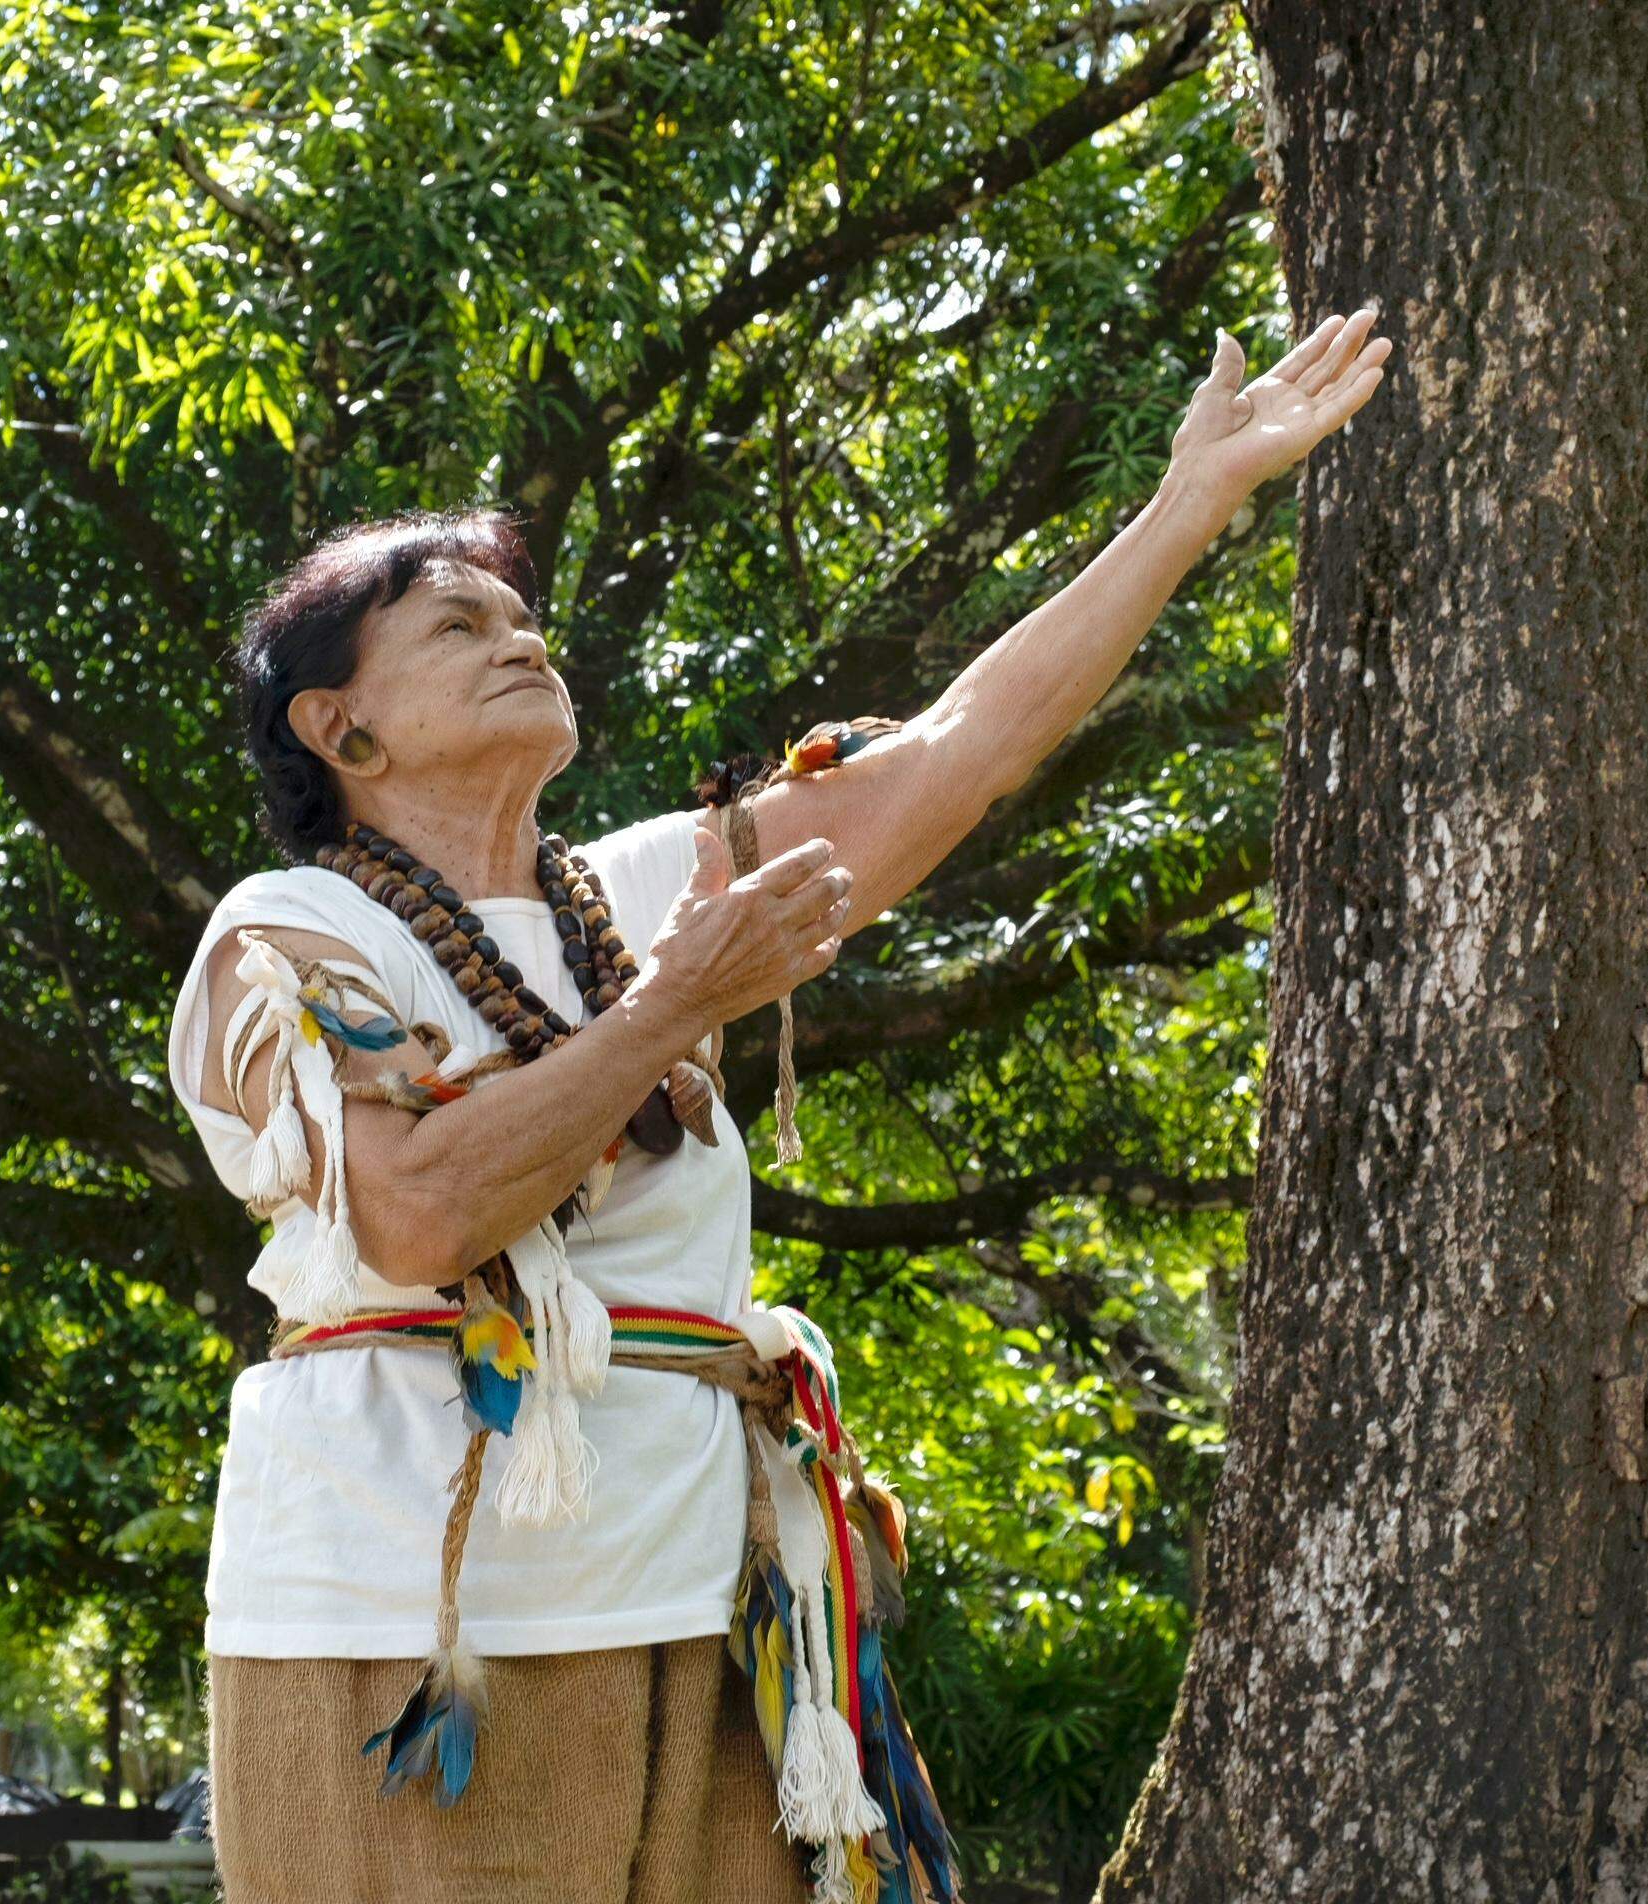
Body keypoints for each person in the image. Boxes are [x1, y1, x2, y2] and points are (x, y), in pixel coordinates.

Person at [163, 310, 1389, 1904]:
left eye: (522, 615)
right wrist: (674, 1007)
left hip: (701, 1599)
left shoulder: (638, 893)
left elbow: (959, 753)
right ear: (344, 728)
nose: (520, 635)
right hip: (412, 1626)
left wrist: (1189, 505)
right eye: (456, 624)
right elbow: (420, 1212)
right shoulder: (290, 934)